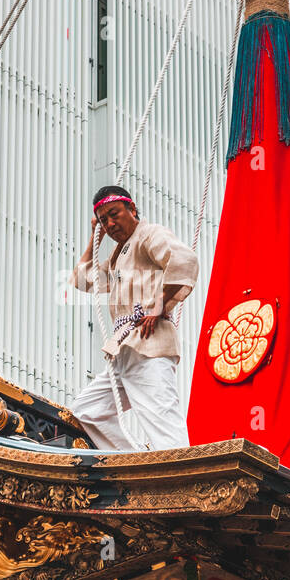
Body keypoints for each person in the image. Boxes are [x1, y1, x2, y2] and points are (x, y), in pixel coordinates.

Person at [69, 185, 199, 450]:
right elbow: (81, 280)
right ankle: (133, 461)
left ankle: (179, 481)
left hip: (150, 343)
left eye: (114, 214)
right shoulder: (118, 255)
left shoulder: (149, 234)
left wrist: (159, 305)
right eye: (104, 219)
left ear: (133, 209)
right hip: (124, 350)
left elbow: (185, 259)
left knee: (163, 422)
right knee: (86, 410)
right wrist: (95, 235)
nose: (110, 223)